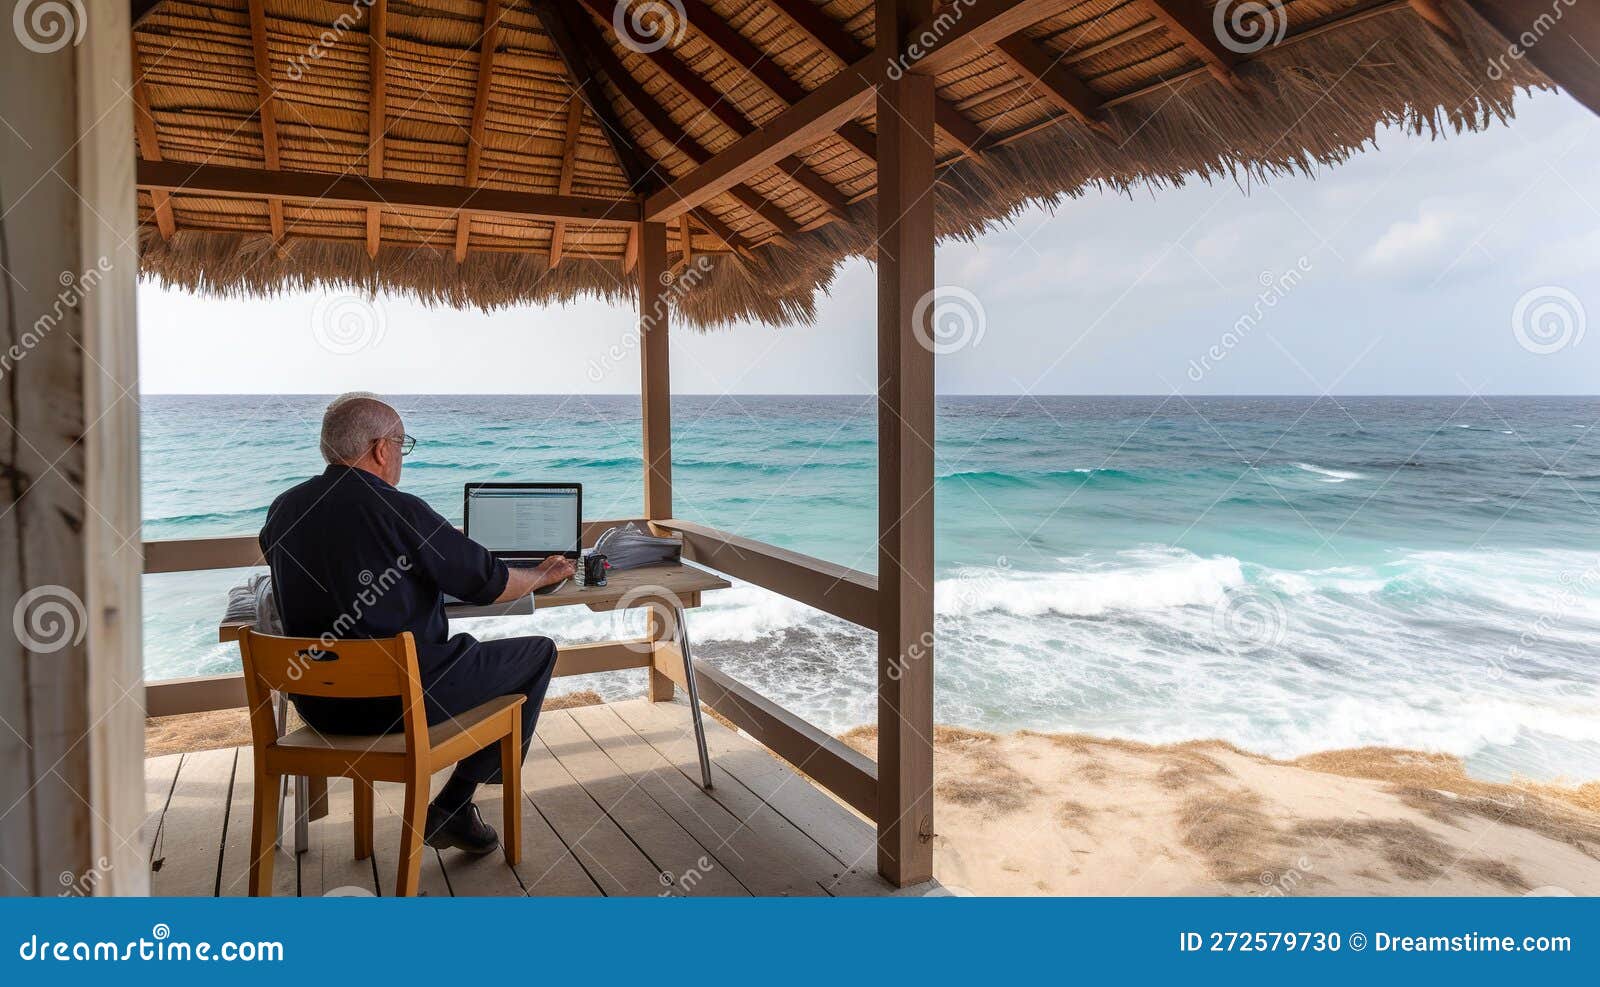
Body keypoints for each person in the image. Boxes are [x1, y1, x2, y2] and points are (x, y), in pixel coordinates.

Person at [258, 393, 575, 854]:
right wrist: (543, 575)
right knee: (537, 654)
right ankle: (453, 806)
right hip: (399, 704)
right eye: (402, 447)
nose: (400, 460)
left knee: (458, 653)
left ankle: (455, 811)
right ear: (381, 449)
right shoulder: (399, 509)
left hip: (318, 704)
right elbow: (489, 583)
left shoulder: (284, 508)